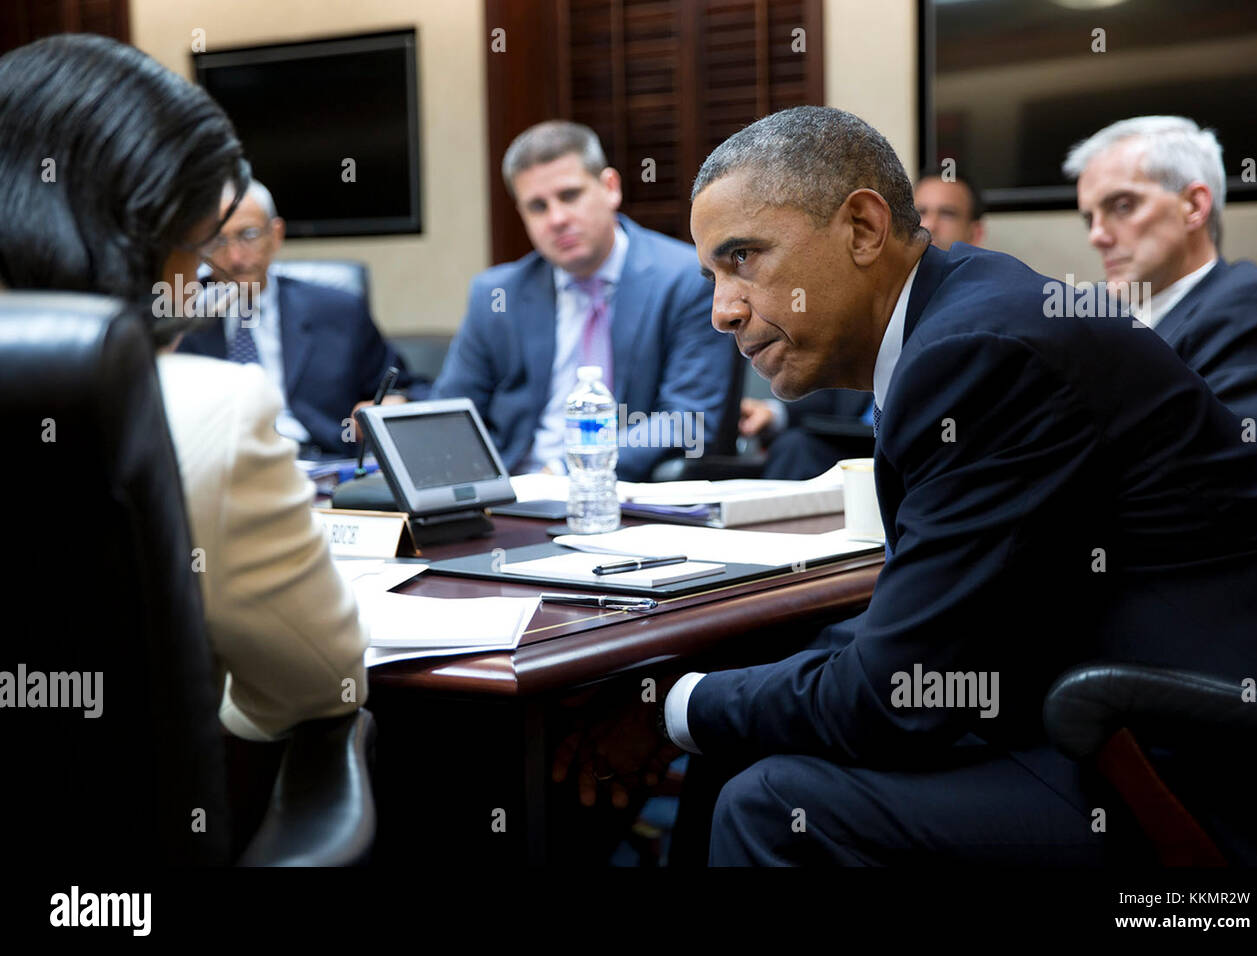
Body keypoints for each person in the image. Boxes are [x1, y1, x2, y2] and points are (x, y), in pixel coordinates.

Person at [559, 106, 1257, 865]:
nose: (723, 310)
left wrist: (672, 709)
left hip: (1197, 759)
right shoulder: (960, 316)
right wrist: (698, 703)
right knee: (749, 741)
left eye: (743, 257)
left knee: (771, 805)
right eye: (711, 275)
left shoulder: (974, 353)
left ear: (862, 228)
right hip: (1101, 702)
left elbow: (895, 691)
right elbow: (928, 624)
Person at [0, 34, 367, 742]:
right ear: (130, 241)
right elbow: (323, 681)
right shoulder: (205, 409)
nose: (204, 278)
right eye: (199, 246)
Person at [417, 120, 733, 481]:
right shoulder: (496, 295)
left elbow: (687, 421)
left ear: (610, 187)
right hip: (510, 494)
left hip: (619, 491)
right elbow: (448, 415)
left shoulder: (686, 279)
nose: (557, 219)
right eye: (537, 206)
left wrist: (569, 471)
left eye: (569, 196)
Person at [1065, 116, 1257, 465]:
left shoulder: (1248, 305)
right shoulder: (1090, 306)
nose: (1096, 236)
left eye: (1122, 205)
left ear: (1193, 206)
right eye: (1089, 218)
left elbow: (1205, 469)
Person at [741, 166, 987, 479]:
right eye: (921, 212)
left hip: (923, 451)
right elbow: (829, 390)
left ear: (975, 233)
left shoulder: (979, 310)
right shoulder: (871, 292)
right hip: (849, 445)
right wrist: (773, 414)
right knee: (795, 446)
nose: (931, 224)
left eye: (947, 214)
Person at [177, 178, 421, 458]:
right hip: (221, 467)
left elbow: (409, 388)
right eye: (218, 240)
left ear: (276, 234)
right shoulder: (184, 319)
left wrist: (392, 404)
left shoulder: (338, 311)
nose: (234, 257)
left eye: (248, 235)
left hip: (320, 466)